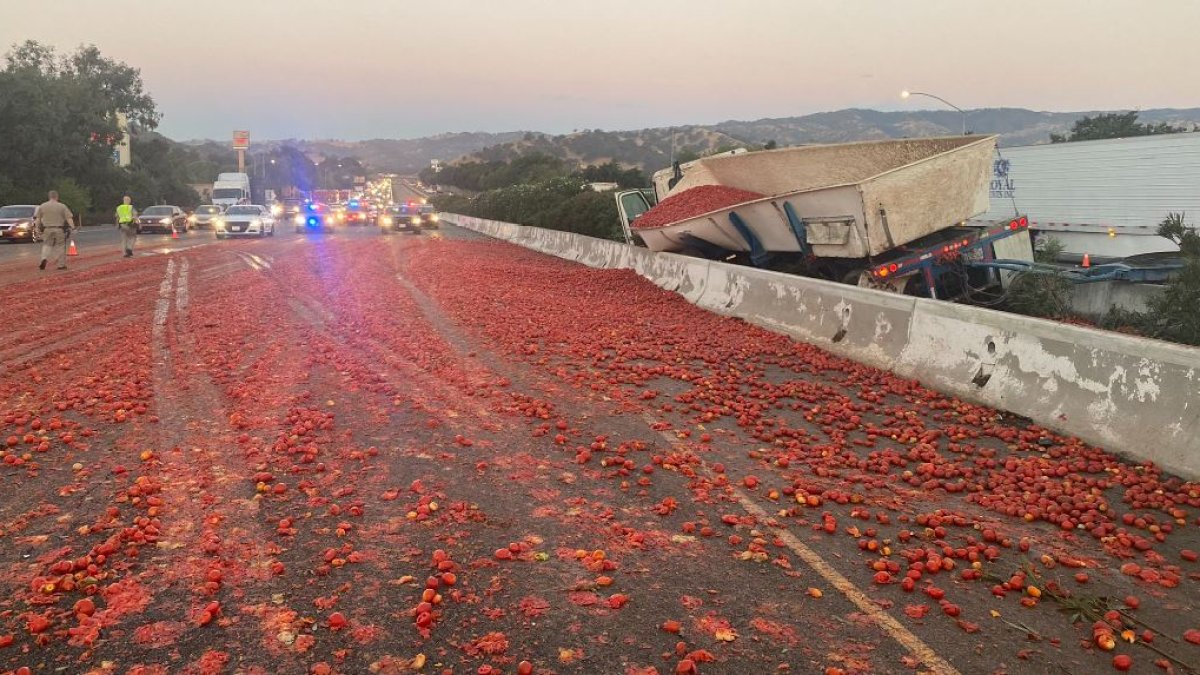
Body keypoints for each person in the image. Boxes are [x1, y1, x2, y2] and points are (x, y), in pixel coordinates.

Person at [34, 190, 74, 271]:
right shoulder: (62, 206)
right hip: (59, 229)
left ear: (49, 197)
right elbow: (69, 218)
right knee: (61, 246)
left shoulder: (42, 206)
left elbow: (38, 219)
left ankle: (44, 258)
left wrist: (37, 228)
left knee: (47, 245)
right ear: (57, 197)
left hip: (47, 229)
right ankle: (61, 265)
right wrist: (72, 227)